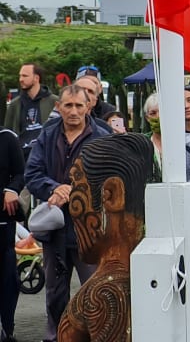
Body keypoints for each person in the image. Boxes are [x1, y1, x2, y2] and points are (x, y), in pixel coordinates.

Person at [24, 84, 110, 342]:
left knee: (96, 292)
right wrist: (55, 188)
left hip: (91, 229)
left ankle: (97, 337)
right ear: (58, 107)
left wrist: (75, 190)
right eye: (68, 105)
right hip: (56, 229)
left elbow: (113, 180)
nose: (73, 111)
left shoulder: (103, 137)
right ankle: (57, 337)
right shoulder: (47, 136)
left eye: (79, 106)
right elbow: (32, 174)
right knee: (55, 294)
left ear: (89, 106)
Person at [58, 133, 159, 341]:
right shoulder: (132, 277)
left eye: (77, 188)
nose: (73, 209)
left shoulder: (108, 291)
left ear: (111, 194)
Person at [0, 124, 25, 342]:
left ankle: (7, 328)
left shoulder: (7, 137)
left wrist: (11, 190)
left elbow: (20, 172)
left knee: (8, 278)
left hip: (2, 222)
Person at [142, 93, 190, 182]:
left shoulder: (188, 142)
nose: (158, 116)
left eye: (162, 111)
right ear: (147, 117)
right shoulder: (142, 144)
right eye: (153, 113)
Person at [4, 62, 57, 143]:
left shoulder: (54, 101)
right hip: (22, 153)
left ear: (36, 78)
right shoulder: (15, 104)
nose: (21, 79)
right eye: (20, 76)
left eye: (25, 76)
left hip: (46, 152)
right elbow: (7, 133)